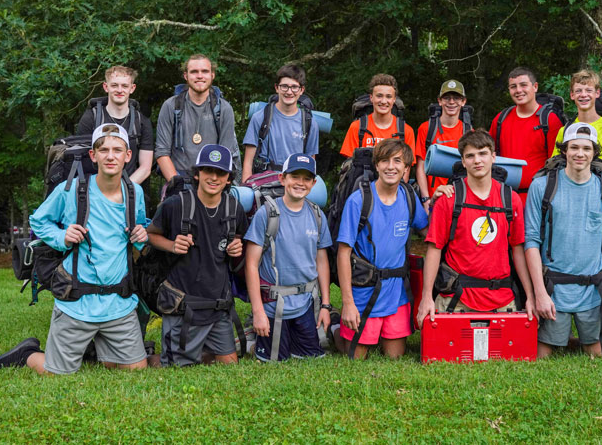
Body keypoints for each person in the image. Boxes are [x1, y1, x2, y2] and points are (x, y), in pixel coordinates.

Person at [0, 124, 148, 374]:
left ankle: (99, 348)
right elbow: (39, 221)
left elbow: (139, 228)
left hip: (118, 303)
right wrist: (62, 236)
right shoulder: (72, 189)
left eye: (118, 150)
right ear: (93, 156)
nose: (110, 156)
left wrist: (142, 234)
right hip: (77, 301)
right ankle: (28, 354)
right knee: (57, 373)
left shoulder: (135, 192)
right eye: (104, 149)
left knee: (136, 368)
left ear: (127, 156)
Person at [525, 123, 602, 358]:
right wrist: (539, 293)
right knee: (542, 356)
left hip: (592, 287)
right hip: (553, 287)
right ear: (564, 151)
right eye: (574, 148)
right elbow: (530, 241)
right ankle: (565, 339)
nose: (580, 154)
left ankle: (577, 340)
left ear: (594, 152)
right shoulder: (541, 186)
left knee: (597, 355)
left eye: (586, 148)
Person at [416, 130, 535, 327]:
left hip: (502, 299)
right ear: (463, 161)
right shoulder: (449, 199)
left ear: (493, 157)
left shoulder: (510, 198)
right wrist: (426, 297)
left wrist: (530, 296)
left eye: (482, 153)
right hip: (457, 298)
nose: (477, 160)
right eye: (470, 156)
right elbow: (434, 249)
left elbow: (518, 249)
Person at [146, 144, 248, 366]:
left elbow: (239, 237)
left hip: (218, 305)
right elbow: (150, 235)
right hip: (183, 304)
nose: (214, 177)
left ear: (229, 178)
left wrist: (236, 246)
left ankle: (200, 349)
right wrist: (172, 245)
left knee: (229, 363)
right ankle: (149, 358)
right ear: (196, 173)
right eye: (208, 171)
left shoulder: (234, 208)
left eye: (221, 172)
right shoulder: (175, 205)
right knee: (175, 366)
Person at [331, 139, 428, 359]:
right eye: (384, 161)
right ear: (376, 165)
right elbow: (344, 253)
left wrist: (443, 199)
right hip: (365, 289)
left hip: (396, 292)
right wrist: (347, 303)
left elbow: (429, 232)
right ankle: (335, 329)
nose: (390, 166)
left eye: (397, 161)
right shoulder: (359, 200)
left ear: (406, 168)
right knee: (356, 356)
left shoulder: (409, 196)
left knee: (395, 357)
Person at [244, 153, 332, 361]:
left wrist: (326, 306)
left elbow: (322, 261)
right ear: (282, 179)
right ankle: (251, 337)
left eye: (306, 178)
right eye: (294, 176)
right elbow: (251, 264)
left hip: (307, 303)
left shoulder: (318, 216)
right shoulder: (266, 214)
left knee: (312, 357)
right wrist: (258, 312)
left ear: (313, 183)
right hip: (275, 305)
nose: (300, 183)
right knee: (275, 359)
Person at [155, 54, 241, 185]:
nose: (199, 76)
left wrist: (210, 185)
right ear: (186, 76)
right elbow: (162, 152)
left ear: (212, 75)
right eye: (194, 72)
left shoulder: (224, 108)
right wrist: (176, 184)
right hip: (178, 179)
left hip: (212, 180)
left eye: (205, 71)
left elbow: (225, 155)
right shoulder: (171, 106)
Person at [489, 67, 564, 204]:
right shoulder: (501, 119)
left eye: (523, 85)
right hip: (503, 196)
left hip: (537, 197)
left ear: (535, 87)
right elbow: (487, 156)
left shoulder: (549, 120)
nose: (518, 90)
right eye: (513, 87)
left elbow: (557, 164)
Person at [76, 66, 154, 184]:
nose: (119, 90)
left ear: (132, 88)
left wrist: (123, 189)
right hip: (95, 189)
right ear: (106, 87)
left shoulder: (141, 121)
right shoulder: (91, 118)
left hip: (130, 187)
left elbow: (145, 168)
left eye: (124, 86)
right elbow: (81, 160)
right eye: (114, 85)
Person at [241, 64, 319, 182]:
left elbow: (310, 164)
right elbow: (248, 162)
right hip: (265, 183)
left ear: (301, 90)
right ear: (277, 88)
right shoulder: (260, 118)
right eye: (284, 86)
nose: (289, 92)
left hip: (295, 184)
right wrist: (245, 190)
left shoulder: (309, 123)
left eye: (294, 87)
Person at [551, 69, 602, 194]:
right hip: (569, 193)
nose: (583, 95)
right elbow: (554, 166)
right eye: (578, 91)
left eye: (589, 90)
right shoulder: (565, 131)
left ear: (597, 93)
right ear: (572, 95)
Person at [338, 74, 416, 180]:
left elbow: (406, 169)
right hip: (362, 188)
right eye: (379, 96)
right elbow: (350, 166)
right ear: (371, 98)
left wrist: (400, 192)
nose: (383, 101)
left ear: (394, 100)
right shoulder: (357, 127)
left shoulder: (406, 131)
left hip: (393, 190)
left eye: (388, 96)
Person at [415, 79, 471, 212]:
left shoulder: (469, 133)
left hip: (461, 199)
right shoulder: (426, 129)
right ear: (439, 101)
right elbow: (420, 166)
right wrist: (426, 199)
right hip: (434, 198)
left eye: (456, 98)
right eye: (447, 98)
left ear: (463, 102)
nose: (451, 102)